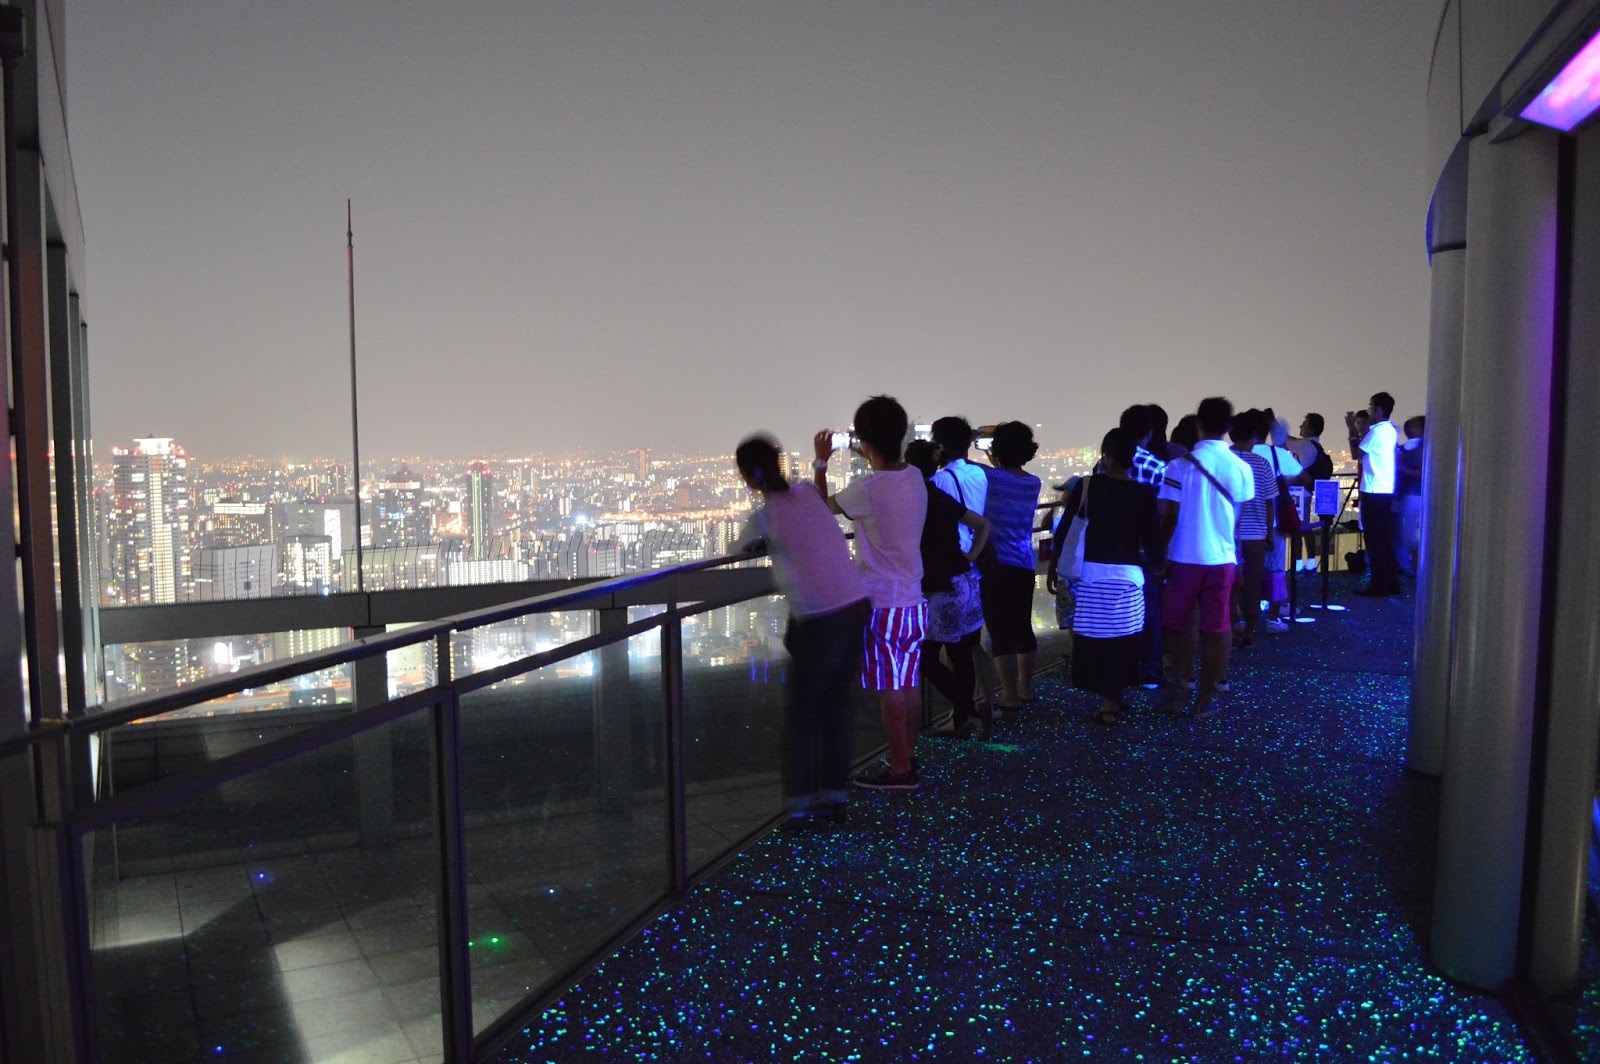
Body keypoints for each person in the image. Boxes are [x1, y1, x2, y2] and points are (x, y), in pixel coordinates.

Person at [735, 435, 871, 826]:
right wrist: (819, 464)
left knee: (802, 714)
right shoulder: (808, 494)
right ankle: (834, 796)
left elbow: (737, 548)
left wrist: (761, 544)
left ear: (746, 475)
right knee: (835, 708)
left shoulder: (766, 515)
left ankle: (799, 804)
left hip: (821, 618)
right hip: (855, 606)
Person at [814, 396, 929, 790]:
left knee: (890, 689)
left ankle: (900, 771)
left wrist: (821, 462)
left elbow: (820, 509)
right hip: (914, 598)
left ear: (864, 441)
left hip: (883, 602)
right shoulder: (914, 476)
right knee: (908, 681)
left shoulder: (868, 488)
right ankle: (907, 757)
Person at [1047, 428, 1163, 724]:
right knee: (1124, 639)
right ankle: (1113, 699)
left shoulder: (1088, 487)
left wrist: (1054, 565)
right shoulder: (1142, 493)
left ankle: (1108, 703)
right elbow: (1152, 540)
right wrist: (1161, 568)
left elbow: (1065, 532)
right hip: (1128, 575)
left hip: (1091, 575)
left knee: (1097, 639)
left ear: (1106, 455)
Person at [1158, 397, 1255, 719]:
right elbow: (1238, 514)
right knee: (1218, 628)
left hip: (1183, 556)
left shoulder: (1178, 467)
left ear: (1198, 424)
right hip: (1222, 557)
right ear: (1228, 428)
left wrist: (1161, 550)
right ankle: (1204, 699)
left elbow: (1169, 515)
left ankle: (1178, 688)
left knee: (1178, 624)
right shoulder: (1241, 467)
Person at [904, 440, 991, 739]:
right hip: (965, 581)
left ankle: (968, 710)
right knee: (961, 654)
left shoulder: (911, 501)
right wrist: (971, 556)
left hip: (941, 590)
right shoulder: (939, 496)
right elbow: (982, 525)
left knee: (926, 658)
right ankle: (963, 721)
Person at [929, 416, 1000, 720]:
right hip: (975, 565)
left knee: (946, 648)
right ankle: (978, 707)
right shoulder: (980, 475)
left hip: (952, 565)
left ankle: (964, 710)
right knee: (969, 644)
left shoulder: (940, 481)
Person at [980, 422, 1044, 710]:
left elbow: (959, 461)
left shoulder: (989, 477)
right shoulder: (1033, 483)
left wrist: (973, 437)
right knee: (1021, 626)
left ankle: (1009, 694)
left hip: (994, 564)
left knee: (998, 629)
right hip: (1023, 563)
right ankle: (1025, 688)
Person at [1230, 411, 1278, 647]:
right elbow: (1269, 502)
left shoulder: (1223, 462)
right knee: (1252, 585)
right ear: (1254, 437)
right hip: (1255, 536)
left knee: (1227, 586)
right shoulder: (1261, 463)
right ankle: (1248, 631)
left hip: (1226, 537)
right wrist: (1269, 532)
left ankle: (1227, 627)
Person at [1346, 393, 1400, 596]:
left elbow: (1356, 453)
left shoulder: (1376, 432)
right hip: (1385, 490)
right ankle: (1391, 582)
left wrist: (1351, 429)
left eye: (1370, 407)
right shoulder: (1390, 430)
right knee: (1384, 539)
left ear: (1379, 409)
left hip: (1373, 491)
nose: (1368, 410)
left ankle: (1379, 585)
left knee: (1374, 540)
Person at [1396, 415, 1426, 575]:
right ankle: (1412, 567)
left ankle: (1413, 567)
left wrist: (1400, 467)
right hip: (1411, 495)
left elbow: (1421, 473)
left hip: (1415, 495)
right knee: (1407, 533)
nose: (1408, 429)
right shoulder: (1417, 448)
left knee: (1409, 534)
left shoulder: (1421, 449)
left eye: (1412, 427)